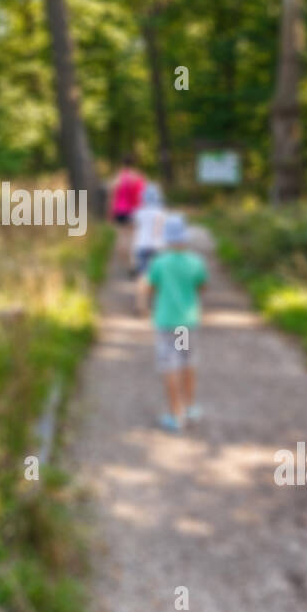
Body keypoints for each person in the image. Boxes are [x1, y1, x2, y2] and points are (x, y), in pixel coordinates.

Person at [137, 214, 206, 433]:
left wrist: (144, 308)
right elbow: (201, 287)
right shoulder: (195, 262)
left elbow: (149, 287)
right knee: (187, 363)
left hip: (167, 322)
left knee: (170, 367)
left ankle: (175, 415)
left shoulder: (159, 263)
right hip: (186, 323)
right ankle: (190, 407)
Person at [130, 182, 167, 278]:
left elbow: (134, 227)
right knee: (158, 274)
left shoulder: (138, 212)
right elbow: (160, 230)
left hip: (141, 244)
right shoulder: (160, 212)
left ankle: (141, 291)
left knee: (143, 273)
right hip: (156, 245)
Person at [110, 155, 146, 226]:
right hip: (134, 210)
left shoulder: (119, 177)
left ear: (122, 164)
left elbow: (113, 195)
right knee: (132, 234)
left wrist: (110, 212)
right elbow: (143, 195)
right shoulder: (138, 177)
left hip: (120, 210)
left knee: (122, 234)